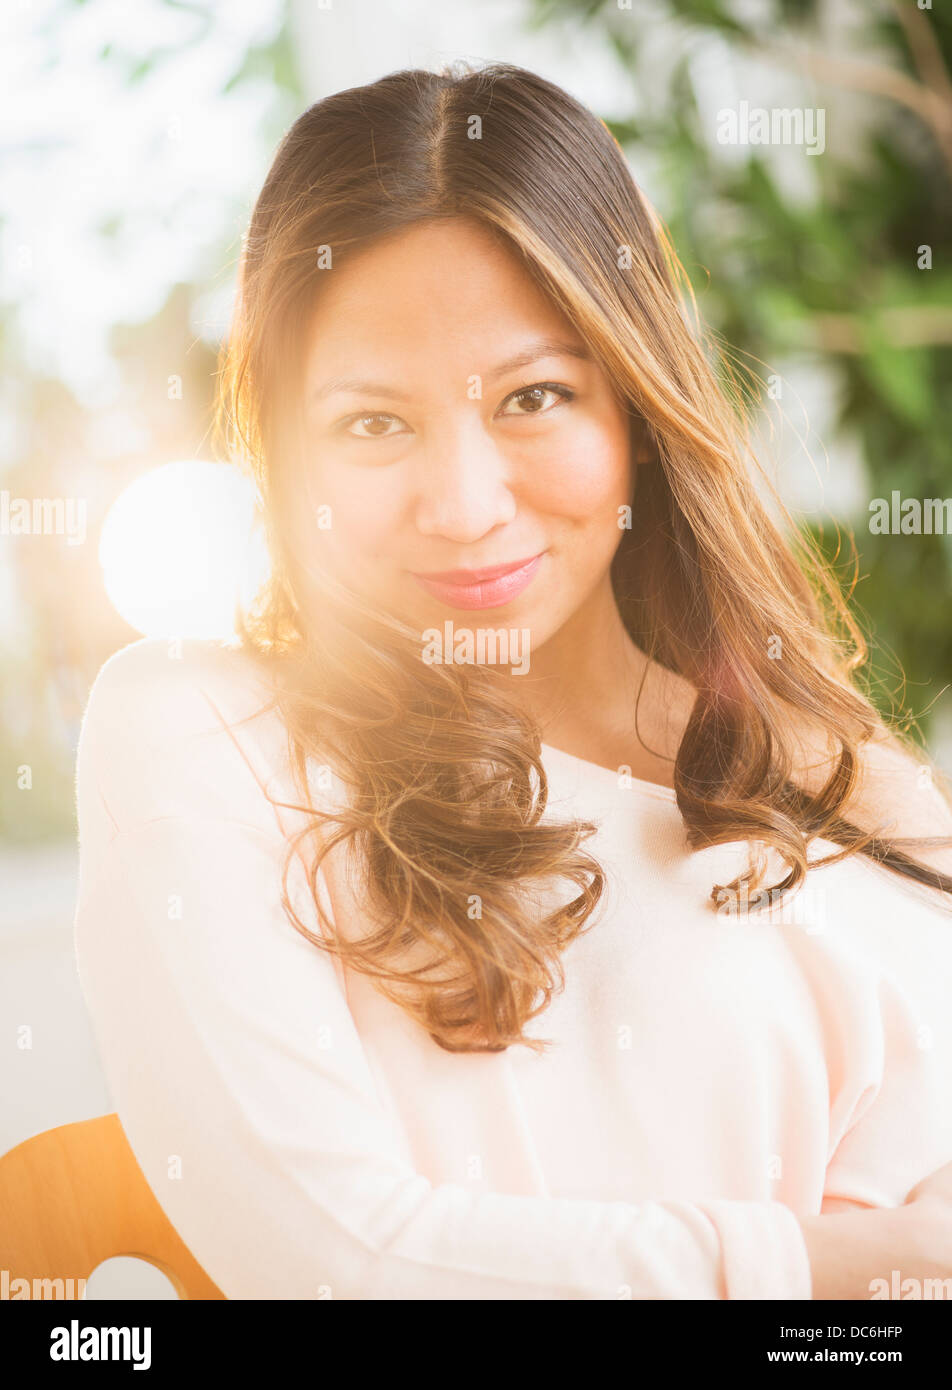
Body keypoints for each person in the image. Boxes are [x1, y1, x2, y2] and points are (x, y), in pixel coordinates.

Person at [74, 62, 952, 1300]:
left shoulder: (859, 793)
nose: (466, 506)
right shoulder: (204, 732)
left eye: (534, 397)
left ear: (636, 407)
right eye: (375, 424)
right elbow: (334, 1258)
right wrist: (813, 1269)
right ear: (281, 448)